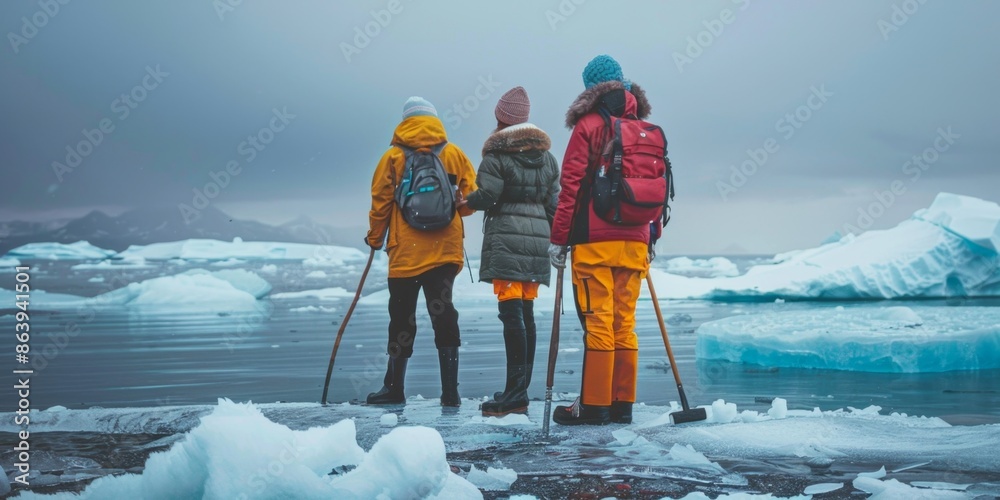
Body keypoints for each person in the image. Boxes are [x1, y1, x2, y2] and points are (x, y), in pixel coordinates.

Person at [548, 55, 660, 425]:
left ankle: (594, 406)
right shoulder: (643, 128)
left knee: (598, 322)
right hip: (636, 240)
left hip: (594, 241)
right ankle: (621, 404)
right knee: (623, 322)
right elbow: (655, 187)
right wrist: (651, 236)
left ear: (591, 89)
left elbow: (571, 186)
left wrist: (559, 238)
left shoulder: (589, 125)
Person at [365, 96, 477, 407]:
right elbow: (471, 199)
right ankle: (451, 393)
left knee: (402, 318)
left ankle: (394, 388)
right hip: (445, 250)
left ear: (405, 122)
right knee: (443, 313)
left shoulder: (392, 157)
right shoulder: (453, 153)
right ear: (434, 119)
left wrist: (375, 238)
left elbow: (380, 202)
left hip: (406, 252)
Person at [459, 86, 560, 417]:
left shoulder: (497, 155)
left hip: (507, 240)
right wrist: (558, 239)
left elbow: (488, 195)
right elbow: (554, 203)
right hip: (537, 242)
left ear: (501, 118)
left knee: (511, 313)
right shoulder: (547, 158)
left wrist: (466, 202)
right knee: (526, 312)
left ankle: (515, 395)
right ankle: (519, 390)